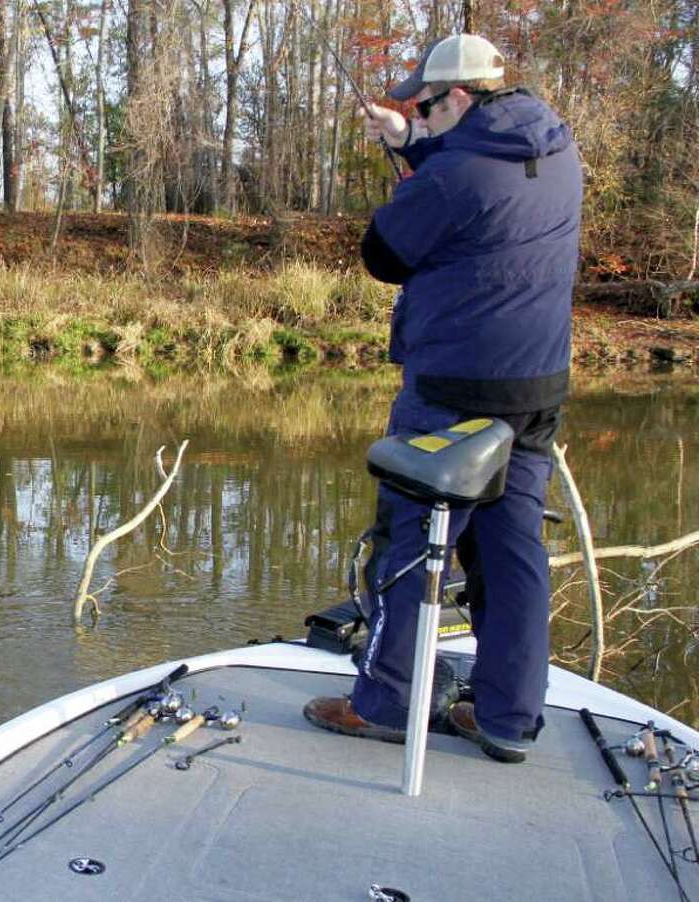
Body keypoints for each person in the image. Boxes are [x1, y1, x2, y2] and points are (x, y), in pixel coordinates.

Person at [303, 34, 583, 763]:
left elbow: (383, 255)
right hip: (535, 391)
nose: (415, 114)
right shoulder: (556, 148)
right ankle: (507, 719)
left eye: (423, 105)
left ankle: (389, 703)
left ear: (458, 97)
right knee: (511, 552)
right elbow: (481, 189)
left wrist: (413, 164)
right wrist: (413, 142)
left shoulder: (449, 178)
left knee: (412, 544)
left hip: (452, 393)